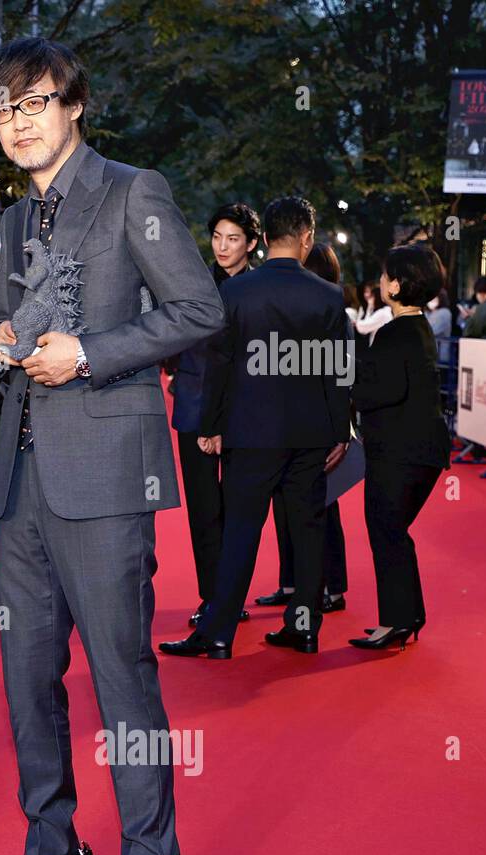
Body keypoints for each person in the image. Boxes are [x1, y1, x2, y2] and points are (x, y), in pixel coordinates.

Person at [0, 38, 217, 855]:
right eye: (3, 111)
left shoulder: (132, 192)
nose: (19, 122)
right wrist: (4, 339)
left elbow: (200, 308)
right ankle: (52, 845)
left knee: (123, 679)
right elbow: (10, 315)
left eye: (34, 101)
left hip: (108, 480)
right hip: (20, 478)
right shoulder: (13, 221)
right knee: (26, 678)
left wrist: (92, 354)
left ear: (75, 104)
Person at [162, 196, 351, 660]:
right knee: (307, 534)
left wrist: (210, 425)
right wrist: (340, 432)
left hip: (249, 435)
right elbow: (338, 371)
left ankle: (219, 633)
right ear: (306, 237)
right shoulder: (328, 296)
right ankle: (304, 629)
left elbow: (221, 368)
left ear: (263, 238)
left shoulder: (236, 293)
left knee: (239, 534)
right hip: (309, 438)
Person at [349, 245, 452, 651]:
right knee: (394, 532)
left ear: (395, 283)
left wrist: (349, 390)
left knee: (386, 531)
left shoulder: (395, 332)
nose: (379, 281)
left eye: (384, 274)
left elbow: (386, 390)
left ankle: (397, 622)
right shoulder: (419, 327)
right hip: (421, 450)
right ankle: (406, 617)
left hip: (399, 451)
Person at [171, 203, 259, 627]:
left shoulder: (260, 290)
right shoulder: (193, 283)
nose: (223, 247)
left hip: (244, 414)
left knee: (239, 510)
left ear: (252, 244)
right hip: (193, 407)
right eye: (218, 237)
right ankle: (212, 598)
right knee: (204, 509)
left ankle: (233, 596)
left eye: (234, 238)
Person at [257, 241, 350, 613]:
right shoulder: (302, 309)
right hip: (287, 422)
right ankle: (292, 582)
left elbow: (341, 369)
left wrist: (339, 427)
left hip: (321, 422)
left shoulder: (332, 309)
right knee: (286, 508)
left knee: (323, 508)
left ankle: (334, 587)